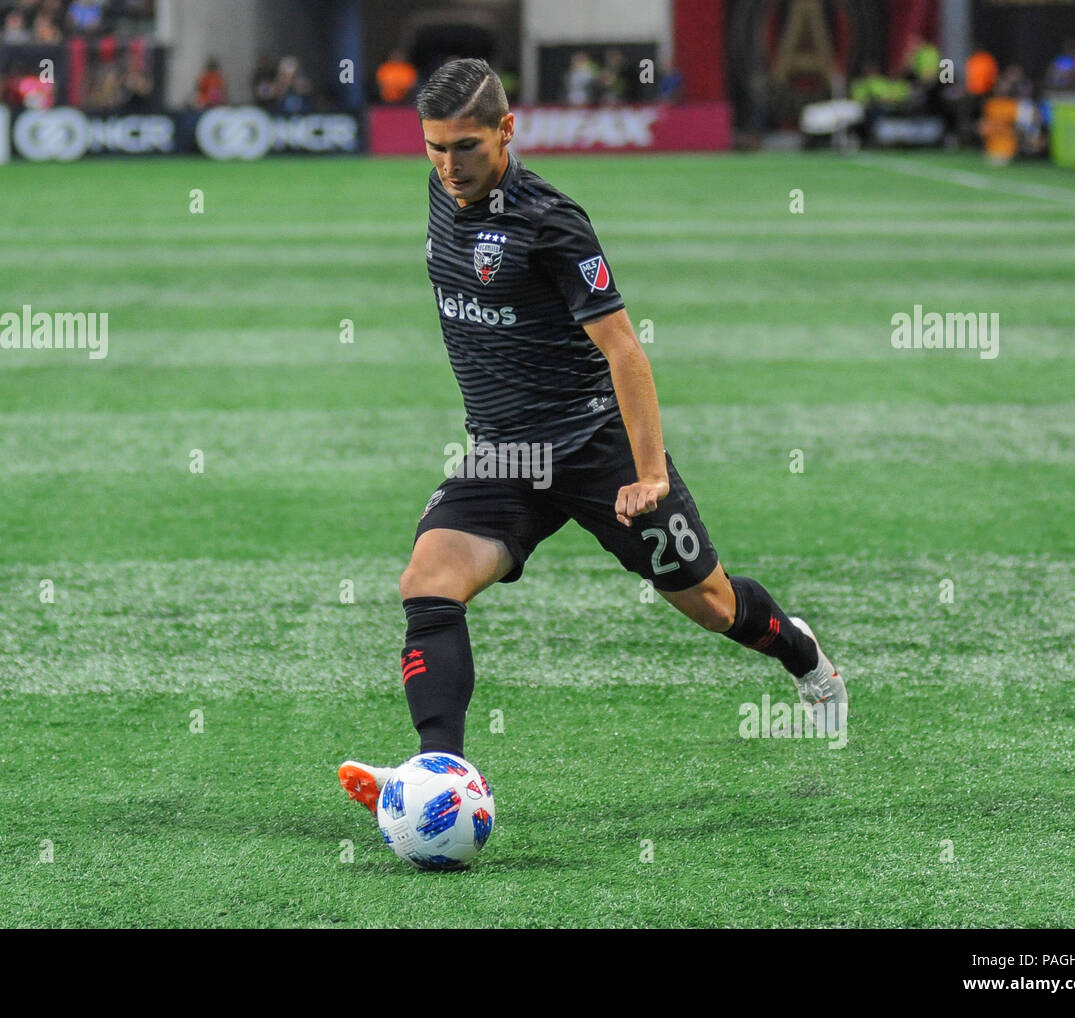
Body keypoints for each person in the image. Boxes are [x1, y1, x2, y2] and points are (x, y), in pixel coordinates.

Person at [338, 58, 847, 813]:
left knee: (710, 603)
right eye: (434, 146)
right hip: (506, 451)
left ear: (507, 131)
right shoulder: (446, 187)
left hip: (596, 449)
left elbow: (625, 351)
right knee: (428, 581)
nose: (448, 165)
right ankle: (437, 773)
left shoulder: (551, 222)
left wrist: (650, 477)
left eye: (466, 147)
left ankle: (800, 652)